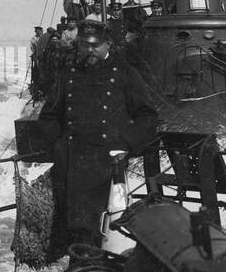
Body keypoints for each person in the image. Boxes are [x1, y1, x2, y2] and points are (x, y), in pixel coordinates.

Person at [37, 20, 159, 250]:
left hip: (110, 163)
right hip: (71, 162)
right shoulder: (68, 74)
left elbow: (148, 116)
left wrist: (127, 145)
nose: (90, 50)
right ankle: (80, 269)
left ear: (107, 45)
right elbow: (49, 116)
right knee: (73, 230)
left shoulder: (124, 72)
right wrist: (58, 145)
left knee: (107, 227)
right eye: (84, 45)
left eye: (95, 45)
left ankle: (93, 269)